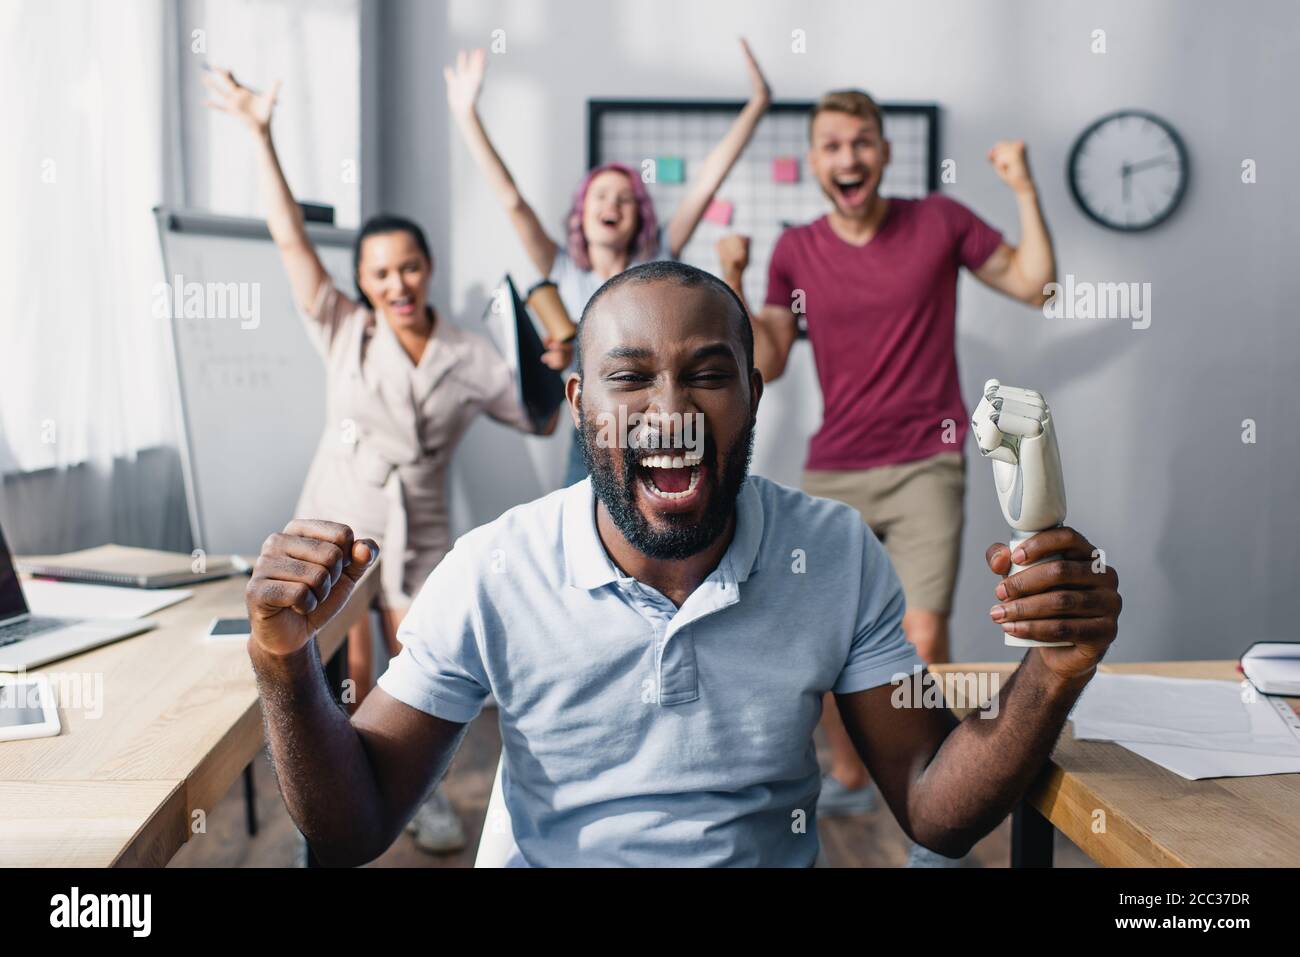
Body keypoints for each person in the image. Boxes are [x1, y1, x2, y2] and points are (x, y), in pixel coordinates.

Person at [244, 261, 1120, 868]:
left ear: (752, 393)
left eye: (708, 373)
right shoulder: (494, 568)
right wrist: (284, 667)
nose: (672, 411)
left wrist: (1051, 671)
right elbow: (353, 825)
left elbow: (934, 806)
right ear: (582, 406)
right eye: (630, 379)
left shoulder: (835, 552)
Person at [204, 68, 563, 855]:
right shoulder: (344, 330)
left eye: (407, 267)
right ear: (362, 283)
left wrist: (564, 358)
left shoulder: (469, 353)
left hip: (423, 530)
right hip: (337, 517)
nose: (396, 283)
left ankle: (418, 797)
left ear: (426, 267)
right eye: (378, 273)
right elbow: (291, 238)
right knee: (343, 673)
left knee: (424, 674)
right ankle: (330, 808)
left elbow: (540, 420)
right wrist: (261, 134)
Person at [718, 89, 1057, 857]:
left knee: (921, 629)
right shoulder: (797, 248)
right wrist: (731, 276)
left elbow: (1037, 284)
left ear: (884, 151)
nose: (849, 158)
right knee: (819, 632)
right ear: (814, 161)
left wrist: (1024, 188)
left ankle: (929, 794)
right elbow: (764, 359)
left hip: (926, 461)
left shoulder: (940, 222)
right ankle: (846, 767)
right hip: (834, 464)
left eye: (862, 142)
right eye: (833, 145)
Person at [445, 39, 771, 485]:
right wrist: (467, 115)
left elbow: (707, 180)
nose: (611, 203)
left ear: (639, 216)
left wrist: (757, 105)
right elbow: (512, 199)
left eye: (624, 198)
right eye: (601, 195)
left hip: (664, 422)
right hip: (594, 432)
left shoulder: (659, 258)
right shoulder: (561, 268)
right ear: (582, 212)